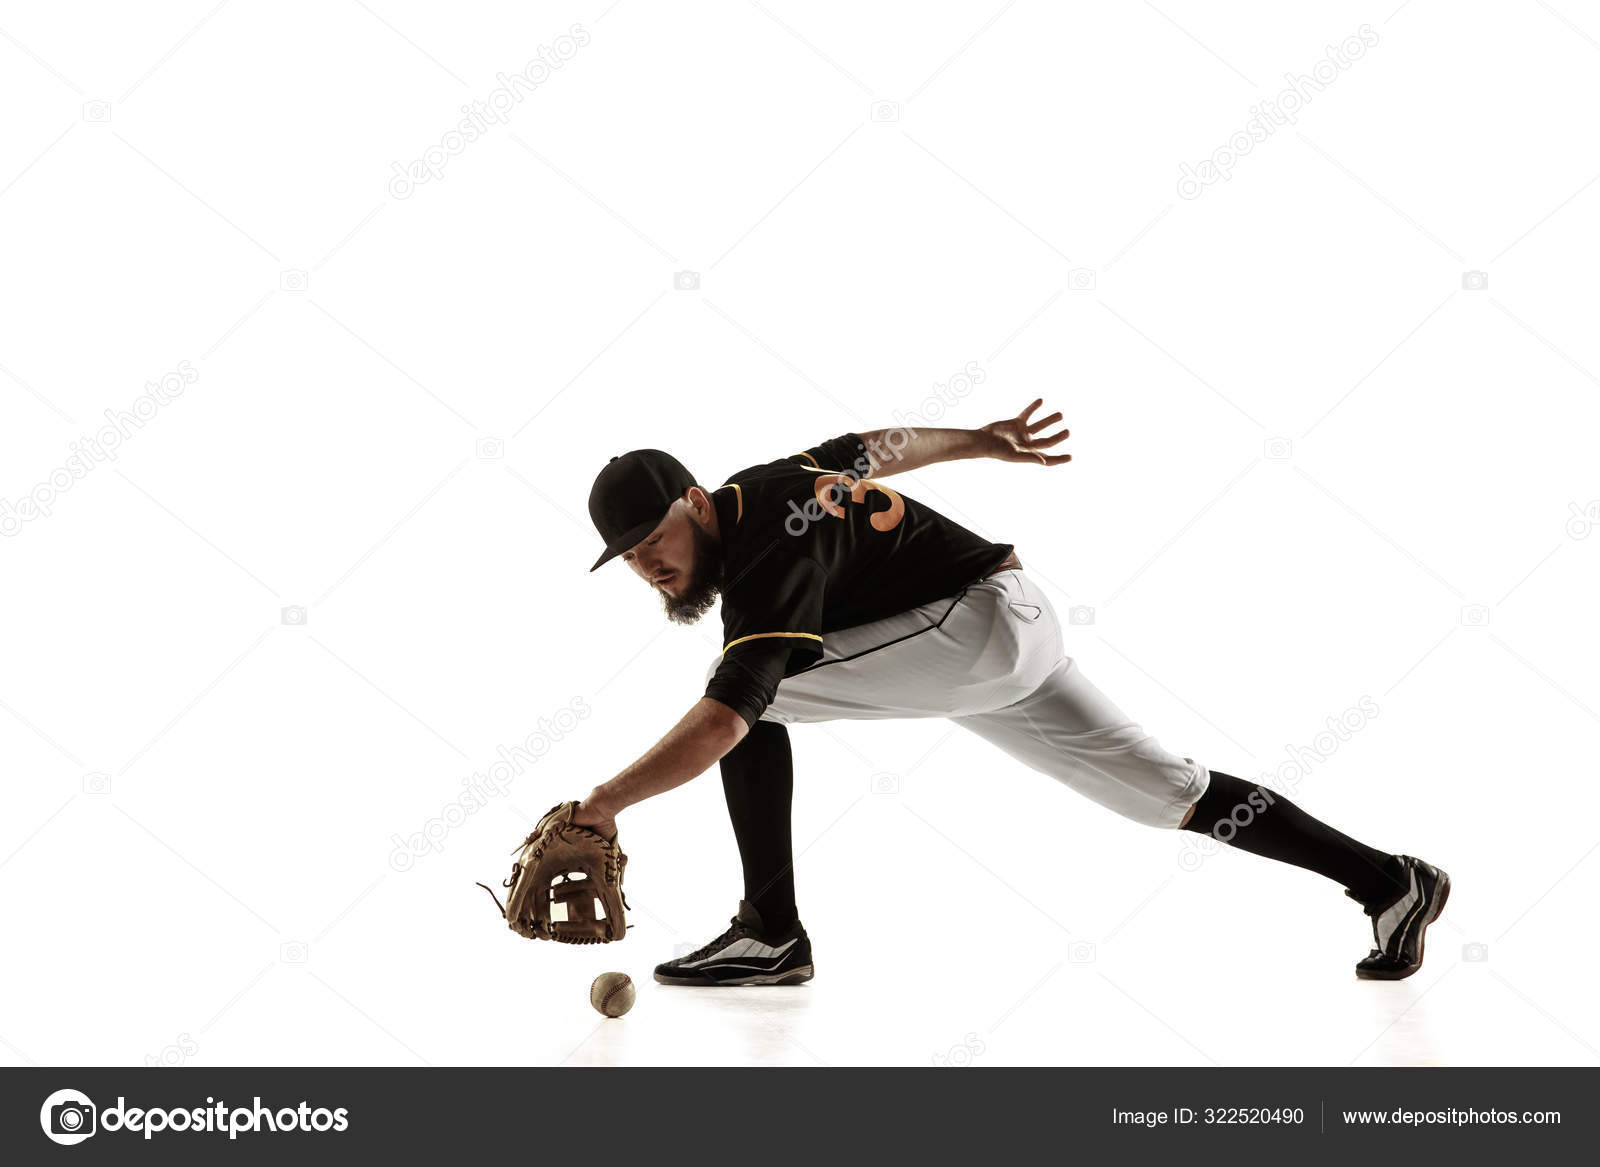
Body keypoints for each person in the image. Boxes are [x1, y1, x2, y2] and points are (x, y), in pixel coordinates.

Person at [572, 401, 1448, 986]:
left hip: (970, 628)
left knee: (747, 706)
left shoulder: (768, 557)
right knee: (1167, 792)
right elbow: (880, 448)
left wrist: (604, 801)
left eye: (655, 536)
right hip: (997, 629)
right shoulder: (765, 483)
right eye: (631, 556)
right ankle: (1388, 882)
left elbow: (727, 719)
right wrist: (984, 442)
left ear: (692, 501)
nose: (650, 564)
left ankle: (771, 928)